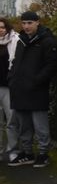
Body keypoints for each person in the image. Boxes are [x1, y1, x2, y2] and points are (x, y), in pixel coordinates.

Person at [7, 11, 57, 168]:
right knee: (24, 125)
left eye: (30, 23)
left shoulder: (48, 41)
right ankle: (27, 153)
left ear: (38, 22)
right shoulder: (21, 41)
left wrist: (36, 81)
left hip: (37, 90)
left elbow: (51, 65)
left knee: (40, 124)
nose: (26, 26)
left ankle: (43, 154)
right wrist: (12, 78)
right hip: (19, 89)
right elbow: (16, 62)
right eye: (24, 23)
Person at [0, 17, 19, 163]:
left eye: (2, 27)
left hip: (8, 87)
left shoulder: (15, 41)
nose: (0, 30)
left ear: (7, 28)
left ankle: (13, 151)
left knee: (11, 120)